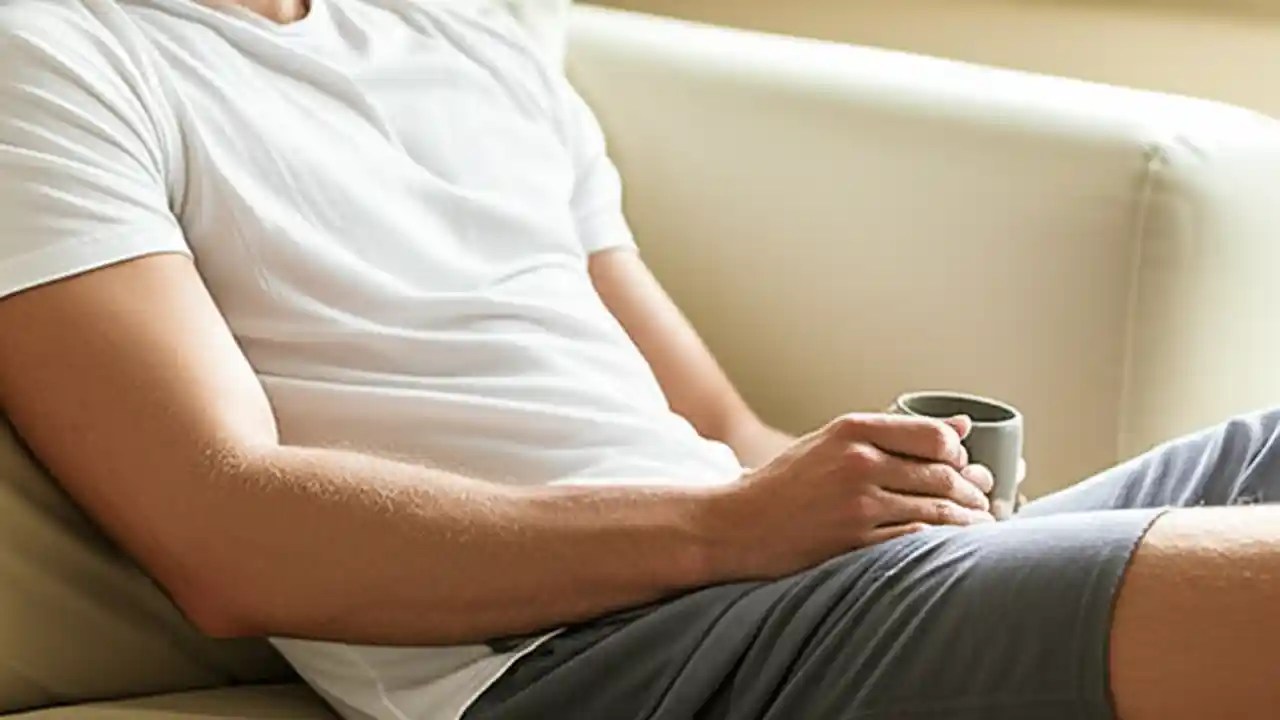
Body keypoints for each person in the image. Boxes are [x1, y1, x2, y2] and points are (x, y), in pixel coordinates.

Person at [0, 0, 1276, 718]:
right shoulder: (53, 52)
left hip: (764, 591)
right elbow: (225, 531)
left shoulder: (468, 29)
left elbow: (717, 418)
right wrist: (729, 528)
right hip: (570, 668)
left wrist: (887, 497)